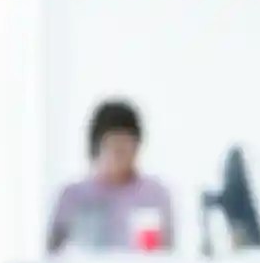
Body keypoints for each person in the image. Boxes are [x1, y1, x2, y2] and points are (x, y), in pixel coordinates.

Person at [47, 100, 176, 253]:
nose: (120, 157)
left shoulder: (155, 195)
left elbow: (166, 254)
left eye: (127, 148)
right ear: (97, 148)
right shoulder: (74, 196)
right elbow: (54, 254)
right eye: (115, 148)